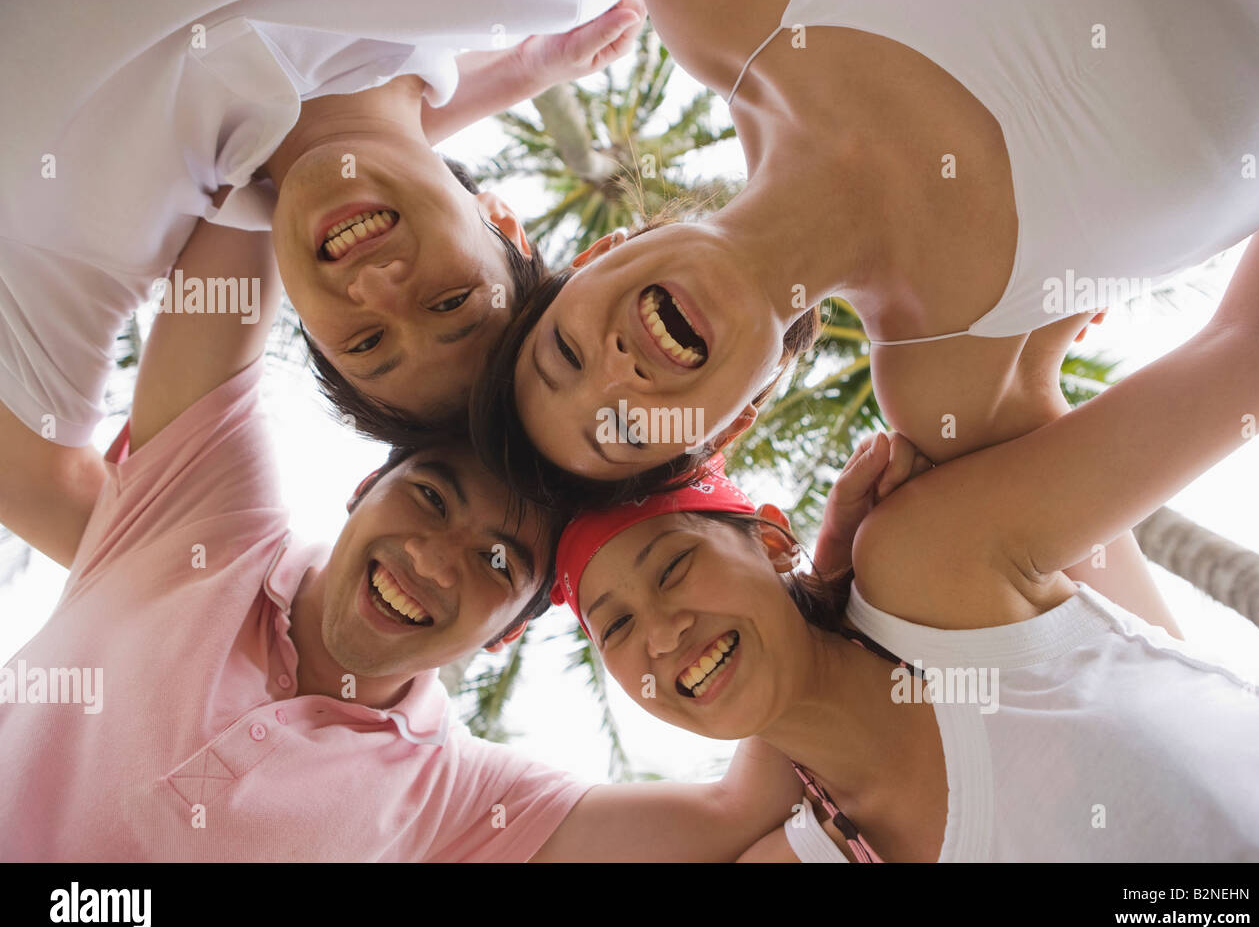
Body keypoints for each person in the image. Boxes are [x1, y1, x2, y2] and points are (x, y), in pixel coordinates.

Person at [471, 0, 1259, 627]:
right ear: (724, 429)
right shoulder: (960, 378)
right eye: (620, 433)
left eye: (566, 356)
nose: (615, 370)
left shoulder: (722, 12)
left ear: (599, 254)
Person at [0, 217, 803, 861]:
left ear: (505, 637)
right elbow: (247, 195)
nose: (430, 558)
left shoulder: (457, 802)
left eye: (498, 562)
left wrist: (835, 562)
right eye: (427, 498)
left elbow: (741, 811)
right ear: (360, 492)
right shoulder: (204, 524)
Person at [547, 200, 1259, 861]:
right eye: (613, 628)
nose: (663, 632)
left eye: (673, 568)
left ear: (775, 544)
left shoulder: (927, 570)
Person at [0, 0, 644, 561]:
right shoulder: (530, 5)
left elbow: (40, 486)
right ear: (501, 219)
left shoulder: (88, 243)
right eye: (449, 302)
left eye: (365, 344)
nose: (376, 288)